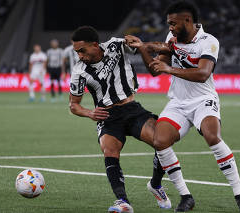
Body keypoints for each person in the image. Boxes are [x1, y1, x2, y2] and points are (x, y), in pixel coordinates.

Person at [125, 1, 240, 212]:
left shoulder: (209, 41)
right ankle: (186, 196)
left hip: (204, 100)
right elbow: (156, 70)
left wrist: (169, 68)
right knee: (160, 141)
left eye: (173, 23)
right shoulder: (171, 39)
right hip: (178, 103)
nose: (170, 28)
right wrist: (142, 49)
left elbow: (203, 74)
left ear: (188, 20)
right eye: (169, 24)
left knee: (213, 137)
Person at [68, 26, 174, 213]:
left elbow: (146, 48)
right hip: (108, 116)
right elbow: (73, 105)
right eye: (76, 51)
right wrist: (89, 113)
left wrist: (147, 44)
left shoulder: (116, 45)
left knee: (162, 141)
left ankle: (156, 185)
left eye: (82, 50)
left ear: (95, 45)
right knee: (110, 150)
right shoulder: (79, 71)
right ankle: (122, 201)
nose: (79, 55)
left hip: (132, 109)